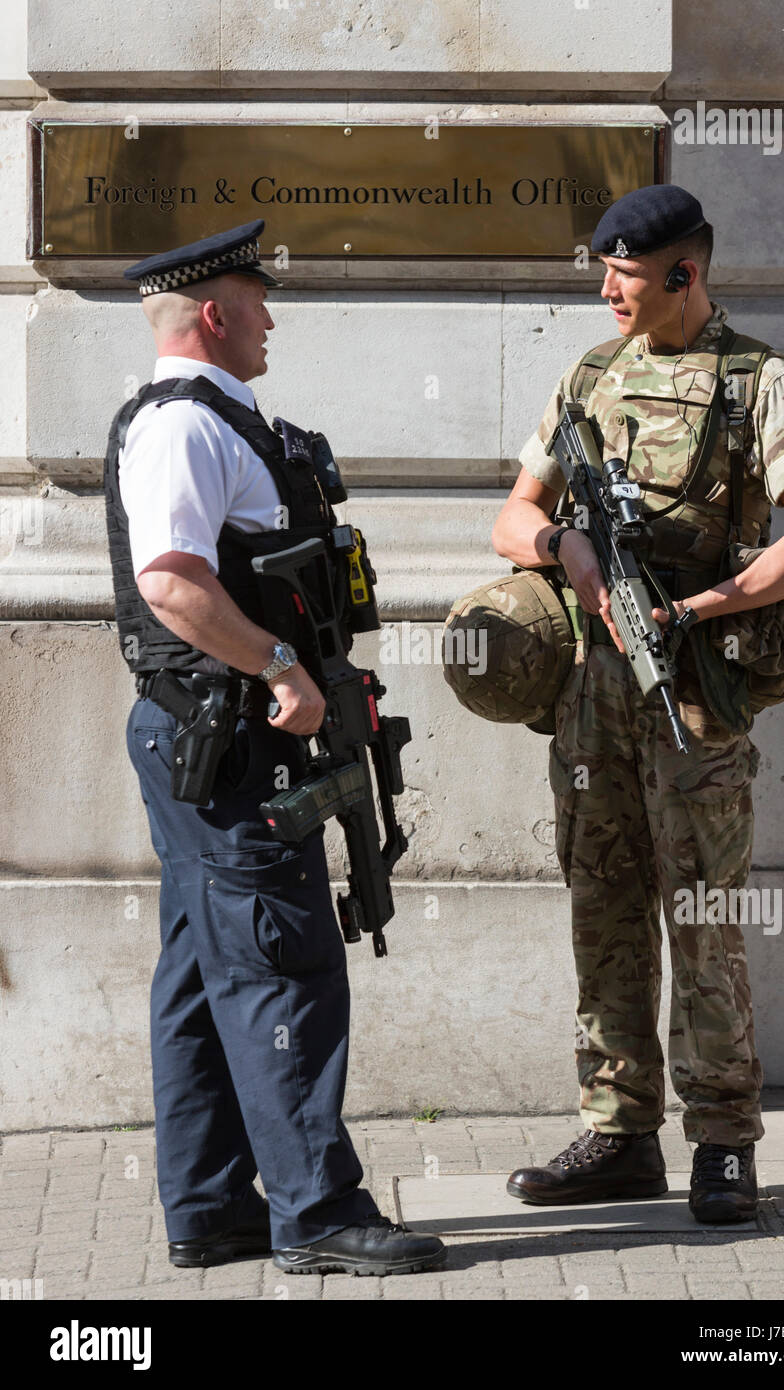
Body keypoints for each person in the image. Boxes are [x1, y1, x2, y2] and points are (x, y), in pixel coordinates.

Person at [491, 185, 784, 1222]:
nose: (607, 291)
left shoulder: (756, 382)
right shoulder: (590, 376)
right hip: (590, 700)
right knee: (601, 906)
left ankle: (723, 1139)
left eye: (627, 276)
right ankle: (617, 1127)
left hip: (693, 696)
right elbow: (511, 514)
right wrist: (565, 546)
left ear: (682, 274)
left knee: (702, 918)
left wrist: (698, 604)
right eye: (601, 271)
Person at [105, 219, 445, 1276]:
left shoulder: (227, 424)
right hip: (231, 738)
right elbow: (170, 581)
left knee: (207, 973)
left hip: (225, 736)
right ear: (214, 311)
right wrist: (277, 666)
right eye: (258, 298)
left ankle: (209, 1206)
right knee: (280, 965)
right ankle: (317, 1209)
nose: (271, 317)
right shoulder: (184, 427)